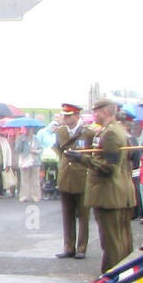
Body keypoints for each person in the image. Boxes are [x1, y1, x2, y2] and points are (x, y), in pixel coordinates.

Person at [66, 97, 135, 272]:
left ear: (105, 112)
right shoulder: (116, 130)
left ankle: (112, 279)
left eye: (96, 111)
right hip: (118, 193)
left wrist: (83, 159)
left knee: (112, 243)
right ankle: (122, 277)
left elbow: (109, 167)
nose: (94, 114)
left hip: (109, 194)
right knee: (121, 240)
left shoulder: (110, 133)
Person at [52, 104, 93, 259]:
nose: (66, 118)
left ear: (77, 116)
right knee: (67, 215)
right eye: (64, 115)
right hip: (65, 176)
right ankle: (68, 247)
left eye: (69, 115)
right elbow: (58, 150)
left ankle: (81, 248)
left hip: (82, 176)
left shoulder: (88, 133)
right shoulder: (61, 131)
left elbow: (92, 154)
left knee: (83, 215)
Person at [14, 125, 41, 203]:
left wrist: (35, 151)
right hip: (25, 161)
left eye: (31, 129)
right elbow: (17, 149)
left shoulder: (36, 139)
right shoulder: (21, 138)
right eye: (28, 129)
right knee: (24, 179)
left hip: (35, 161)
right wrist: (21, 142)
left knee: (35, 179)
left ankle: (35, 196)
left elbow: (41, 149)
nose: (29, 131)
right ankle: (24, 196)